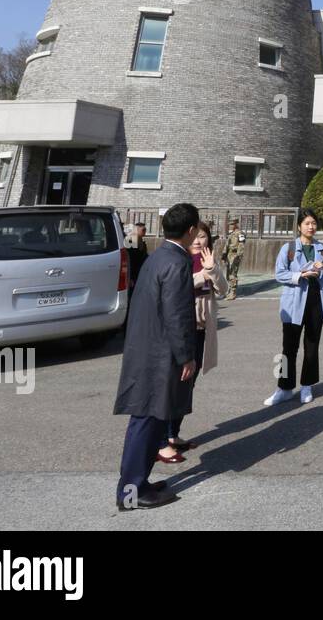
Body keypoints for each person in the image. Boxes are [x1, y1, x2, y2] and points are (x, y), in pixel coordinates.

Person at [113, 202, 200, 511]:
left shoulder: (158, 256)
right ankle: (131, 491)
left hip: (145, 348)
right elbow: (177, 315)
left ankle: (138, 482)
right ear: (191, 231)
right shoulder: (177, 263)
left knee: (148, 419)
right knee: (147, 420)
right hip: (159, 355)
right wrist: (186, 356)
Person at [158, 221, 227, 463]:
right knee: (173, 385)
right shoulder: (179, 261)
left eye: (204, 237)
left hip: (200, 331)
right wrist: (204, 274)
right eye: (196, 237)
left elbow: (223, 289)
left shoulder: (209, 260)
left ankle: (173, 434)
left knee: (188, 385)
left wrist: (213, 270)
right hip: (180, 333)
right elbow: (181, 287)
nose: (199, 242)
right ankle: (161, 440)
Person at [266, 209, 323, 406]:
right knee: (289, 347)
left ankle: (307, 385)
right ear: (299, 226)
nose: (311, 227)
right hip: (293, 303)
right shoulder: (288, 248)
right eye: (307, 223)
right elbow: (279, 274)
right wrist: (300, 275)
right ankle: (284, 388)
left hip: (317, 301)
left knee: (312, 346)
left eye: (314, 223)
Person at [219, 218, 245, 300]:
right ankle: (229, 291)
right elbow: (227, 245)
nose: (230, 226)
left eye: (231, 224)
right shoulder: (231, 234)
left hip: (234, 255)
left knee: (233, 274)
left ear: (236, 224)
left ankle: (233, 292)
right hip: (229, 255)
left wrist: (238, 255)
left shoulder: (240, 234)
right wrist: (224, 255)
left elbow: (241, 245)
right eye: (229, 224)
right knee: (228, 274)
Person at [124, 222, 148, 294]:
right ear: (136, 229)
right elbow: (129, 259)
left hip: (140, 271)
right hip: (132, 272)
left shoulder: (141, 240)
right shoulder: (130, 240)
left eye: (145, 230)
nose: (145, 232)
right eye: (143, 230)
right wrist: (130, 277)